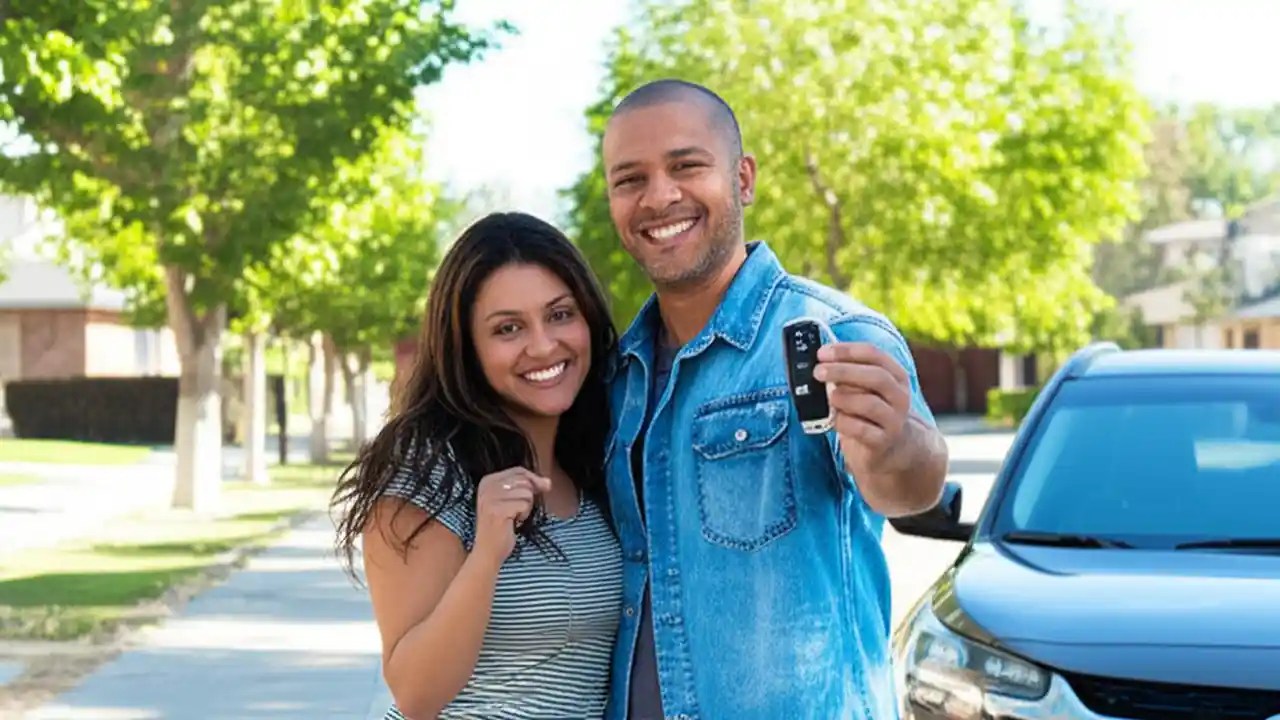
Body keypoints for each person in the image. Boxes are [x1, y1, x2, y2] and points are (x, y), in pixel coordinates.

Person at [599, 79, 950, 720]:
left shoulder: (834, 335)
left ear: (743, 179)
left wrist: (894, 443)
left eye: (686, 166)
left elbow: (909, 483)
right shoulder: (617, 378)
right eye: (630, 179)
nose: (659, 196)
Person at [331, 212, 623, 720]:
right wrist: (486, 554)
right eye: (508, 328)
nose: (542, 345)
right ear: (468, 348)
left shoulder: (599, 458)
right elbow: (417, 694)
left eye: (559, 314)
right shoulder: (426, 472)